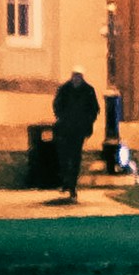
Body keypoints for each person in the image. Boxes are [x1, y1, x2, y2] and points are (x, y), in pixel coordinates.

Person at [50, 65, 100, 200]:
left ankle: (72, 185)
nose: (77, 78)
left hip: (79, 130)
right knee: (65, 157)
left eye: (79, 76)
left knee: (75, 156)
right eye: (75, 76)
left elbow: (94, 109)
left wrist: (87, 121)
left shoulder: (88, 90)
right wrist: (63, 117)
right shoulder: (65, 89)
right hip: (66, 129)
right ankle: (67, 181)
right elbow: (57, 105)